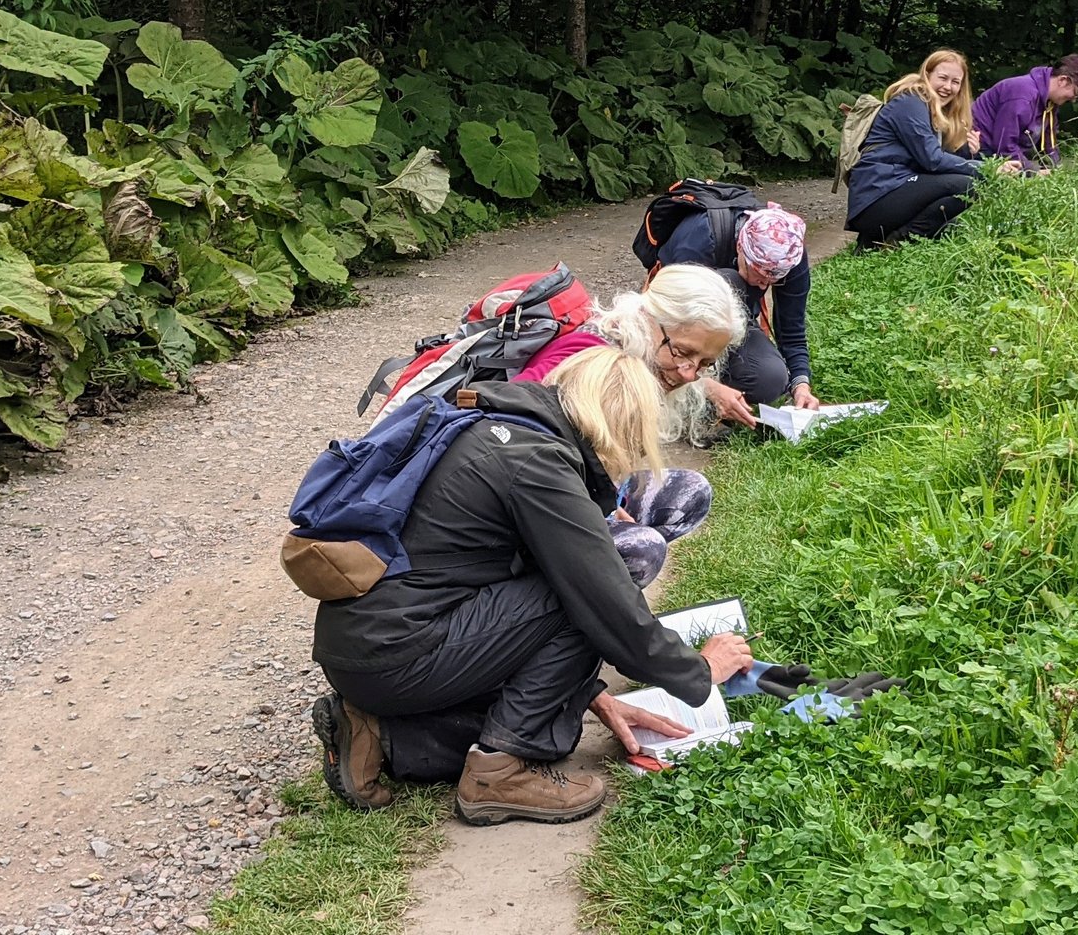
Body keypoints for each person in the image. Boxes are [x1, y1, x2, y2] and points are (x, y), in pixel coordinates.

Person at [308, 346, 756, 825]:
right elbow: (609, 606)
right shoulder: (538, 465)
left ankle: (382, 734)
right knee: (590, 589)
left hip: (368, 644)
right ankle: (498, 773)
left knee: (557, 720)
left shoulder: (500, 420)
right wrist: (701, 670)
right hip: (400, 652)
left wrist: (584, 696)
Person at [510, 264, 747, 583]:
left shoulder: (634, 353)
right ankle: (571, 617)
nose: (690, 374)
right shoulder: (586, 360)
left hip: (569, 494)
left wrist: (605, 503)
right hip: (518, 517)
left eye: (705, 364)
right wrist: (600, 513)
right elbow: (513, 461)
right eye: (683, 352)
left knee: (689, 493)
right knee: (641, 550)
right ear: (650, 320)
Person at [647, 202, 820, 418]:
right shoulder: (700, 238)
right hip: (677, 327)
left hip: (731, 322)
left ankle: (714, 383)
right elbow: (660, 321)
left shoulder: (790, 256)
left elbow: (792, 329)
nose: (761, 286)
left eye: (774, 280)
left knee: (771, 379)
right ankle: (688, 400)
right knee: (731, 282)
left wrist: (800, 384)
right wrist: (710, 388)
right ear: (740, 246)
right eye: (756, 272)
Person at [846, 49, 1016, 248]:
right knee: (969, 185)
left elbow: (946, 162)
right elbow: (932, 160)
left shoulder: (937, 111)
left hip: (896, 189)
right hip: (877, 196)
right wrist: (987, 169)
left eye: (955, 82)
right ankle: (897, 241)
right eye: (942, 78)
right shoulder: (911, 101)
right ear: (927, 75)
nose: (948, 87)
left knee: (954, 222)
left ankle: (873, 241)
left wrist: (972, 152)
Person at [970, 54, 1078, 173]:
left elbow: (1049, 143)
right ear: (1063, 80)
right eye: (1076, 92)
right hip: (980, 152)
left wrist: (1057, 170)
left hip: (1003, 153)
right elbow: (1004, 146)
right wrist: (1033, 172)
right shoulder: (1023, 95)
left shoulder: (1050, 100)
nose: (1074, 99)